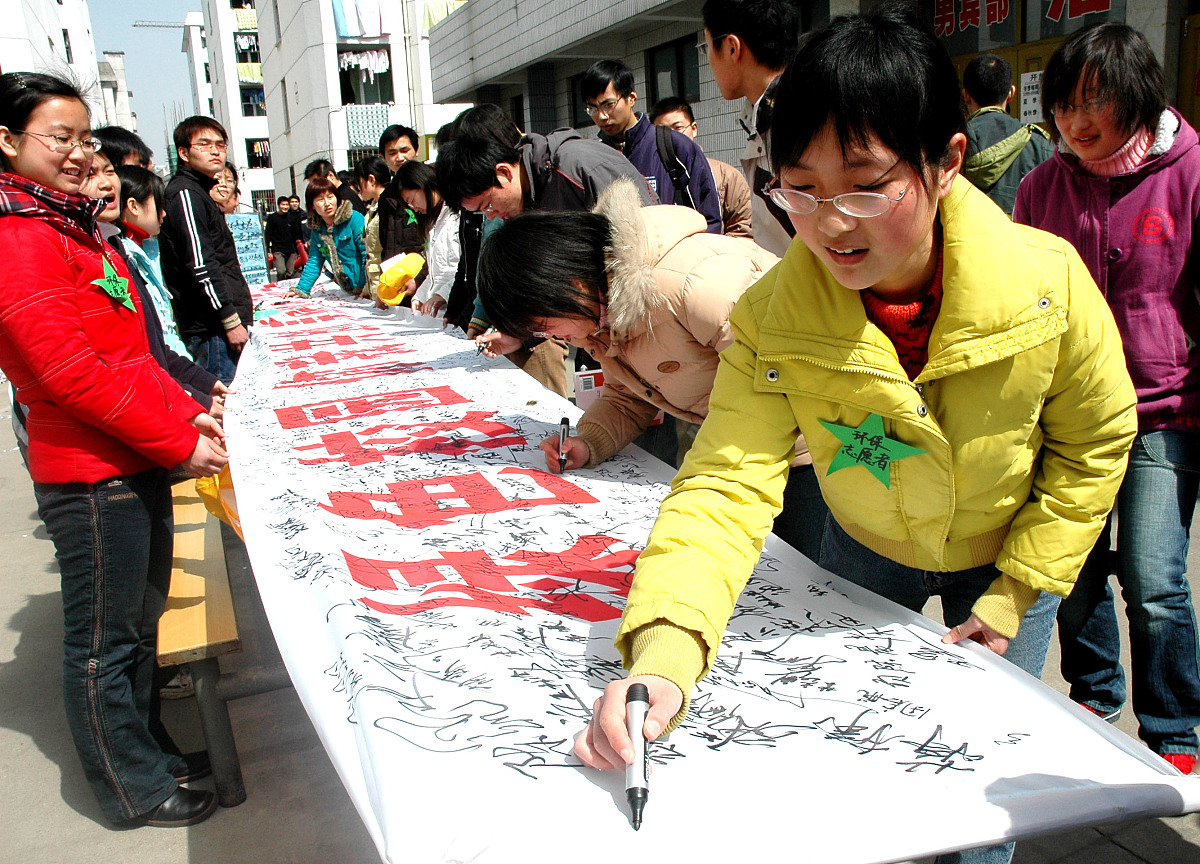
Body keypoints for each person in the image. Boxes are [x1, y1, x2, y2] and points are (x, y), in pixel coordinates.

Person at [574, 12, 1139, 864]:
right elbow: (725, 488)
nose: (831, 223)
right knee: (859, 760)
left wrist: (1019, 591)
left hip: (1007, 555)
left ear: (946, 161)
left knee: (986, 788)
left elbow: (1095, 442)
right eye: (800, 189)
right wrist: (662, 655)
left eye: (866, 185)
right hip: (863, 547)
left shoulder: (1048, 279)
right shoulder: (771, 316)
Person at [0, 70, 227, 828]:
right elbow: (69, 376)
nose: (74, 154)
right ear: (7, 141)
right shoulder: (21, 238)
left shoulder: (66, 227)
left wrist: (189, 415)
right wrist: (175, 440)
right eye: (57, 138)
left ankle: (149, 752)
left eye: (82, 139)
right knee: (104, 641)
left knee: (137, 627)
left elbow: (132, 355)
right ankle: (132, 786)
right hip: (91, 475)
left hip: (129, 458)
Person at [1014, 23, 1200, 775]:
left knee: (1155, 579)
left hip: (1166, 407)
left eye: (1096, 103)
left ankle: (1175, 730)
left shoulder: (1189, 171)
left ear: (1138, 98)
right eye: (1064, 106)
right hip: (1069, 413)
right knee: (1076, 569)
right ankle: (1093, 695)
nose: (1076, 124)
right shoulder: (1041, 184)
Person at [477, 178, 776, 470]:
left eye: (543, 324)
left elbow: (780, 387)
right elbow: (627, 395)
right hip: (749, 443)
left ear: (571, 284)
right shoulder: (605, 314)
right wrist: (587, 443)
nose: (547, 336)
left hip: (801, 443)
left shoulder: (694, 287)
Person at [701, 0, 800, 257]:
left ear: (732, 48)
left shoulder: (794, 120)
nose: (709, 60)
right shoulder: (775, 109)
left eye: (707, 47)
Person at [158, 116, 252, 384]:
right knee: (224, 403)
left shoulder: (200, 193)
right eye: (204, 144)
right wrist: (230, 319)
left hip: (218, 326)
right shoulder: (186, 194)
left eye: (220, 145)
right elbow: (201, 263)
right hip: (211, 329)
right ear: (184, 153)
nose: (215, 151)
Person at [581, 60, 721, 233]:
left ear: (631, 98)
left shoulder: (674, 145)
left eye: (608, 105)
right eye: (592, 108)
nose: (602, 116)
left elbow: (710, 219)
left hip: (676, 255)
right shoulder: (596, 158)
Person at [961, 53, 1053, 216]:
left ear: (966, 96)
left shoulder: (952, 143)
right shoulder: (1040, 143)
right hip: (1024, 240)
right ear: (1011, 93)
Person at [651, 95, 753, 239]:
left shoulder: (727, 175)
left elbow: (743, 228)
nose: (672, 137)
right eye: (663, 132)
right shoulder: (648, 176)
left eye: (678, 128)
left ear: (694, 129)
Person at [396, 160, 462, 324]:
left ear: (422, 184)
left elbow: (461, 269)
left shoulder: (456, 217)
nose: (414, 208)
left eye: (412, 200)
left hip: (455, 309)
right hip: (436, 312)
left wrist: (442, 294)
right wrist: (420, 294)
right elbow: (435, 273)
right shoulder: (433, 222)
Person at [292, 175, 366, 298]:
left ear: (337, 199)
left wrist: (363, 287)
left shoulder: (354, 219)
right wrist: (302, 289)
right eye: (320, 200)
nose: (327, 203)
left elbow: (367, 255)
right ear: (313, 206)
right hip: (348, 292)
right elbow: (314, 261)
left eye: (330, 197)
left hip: (365, 289)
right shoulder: (318, 230)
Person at [353, 155, 391, 301]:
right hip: (376, 286)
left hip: (387, 286)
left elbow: (391, 251)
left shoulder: (389, 205)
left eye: (359, 182)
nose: (357, 188)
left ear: (371, 179)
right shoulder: (374, 207)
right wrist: (367, 289)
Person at [264, 194, 300, 279]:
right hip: (278, 249)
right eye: (283, 205)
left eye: (287, 205)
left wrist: (298, 250)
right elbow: (267, 234)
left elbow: (297, 234)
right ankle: (280, 287)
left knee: (290, 272)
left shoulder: (292, 218)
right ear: (278, 205)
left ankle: (288, 288)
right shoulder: (272, 218)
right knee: (281, 271)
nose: (285, 207)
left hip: (291, 250)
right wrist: (268, 250)